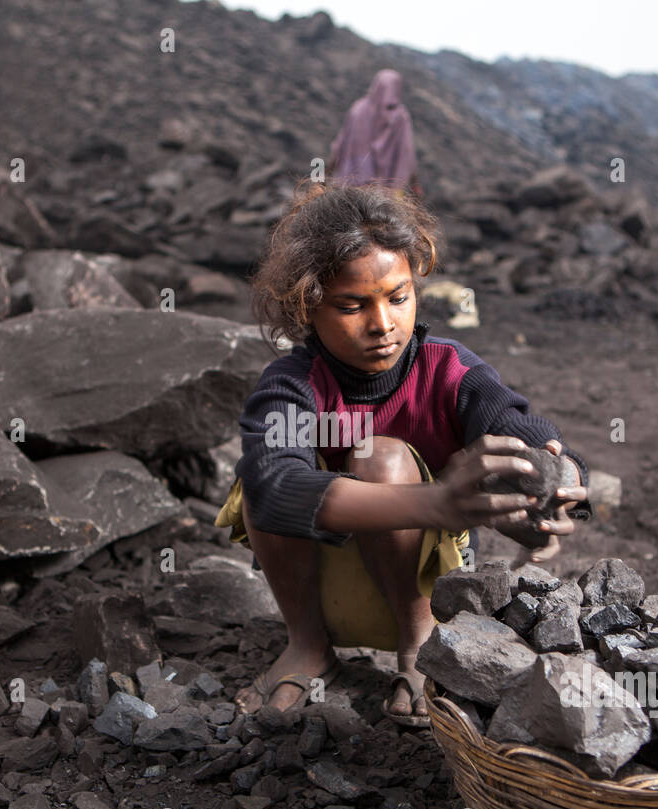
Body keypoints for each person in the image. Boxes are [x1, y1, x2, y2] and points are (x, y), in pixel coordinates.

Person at [215, 182, 590, 726]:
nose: (382, 324)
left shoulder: (450, 370)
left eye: (397, 296)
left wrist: (560, 480)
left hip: (426, 583)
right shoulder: (292, 384)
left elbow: (516, 425)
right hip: (322, 583)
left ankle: (419, 647)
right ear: (307, 305)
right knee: (263, 478)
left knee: (381, 458)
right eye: (351, 305)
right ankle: (308, 645)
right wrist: (437, 501)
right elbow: (274, 493)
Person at [329, 69, 421, 196]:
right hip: (383, 189)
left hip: (349, 181)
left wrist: (329, 169)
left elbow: (341, 143)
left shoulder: (358, 109)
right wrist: (413, 182)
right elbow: (406, 153)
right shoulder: (400, 117)